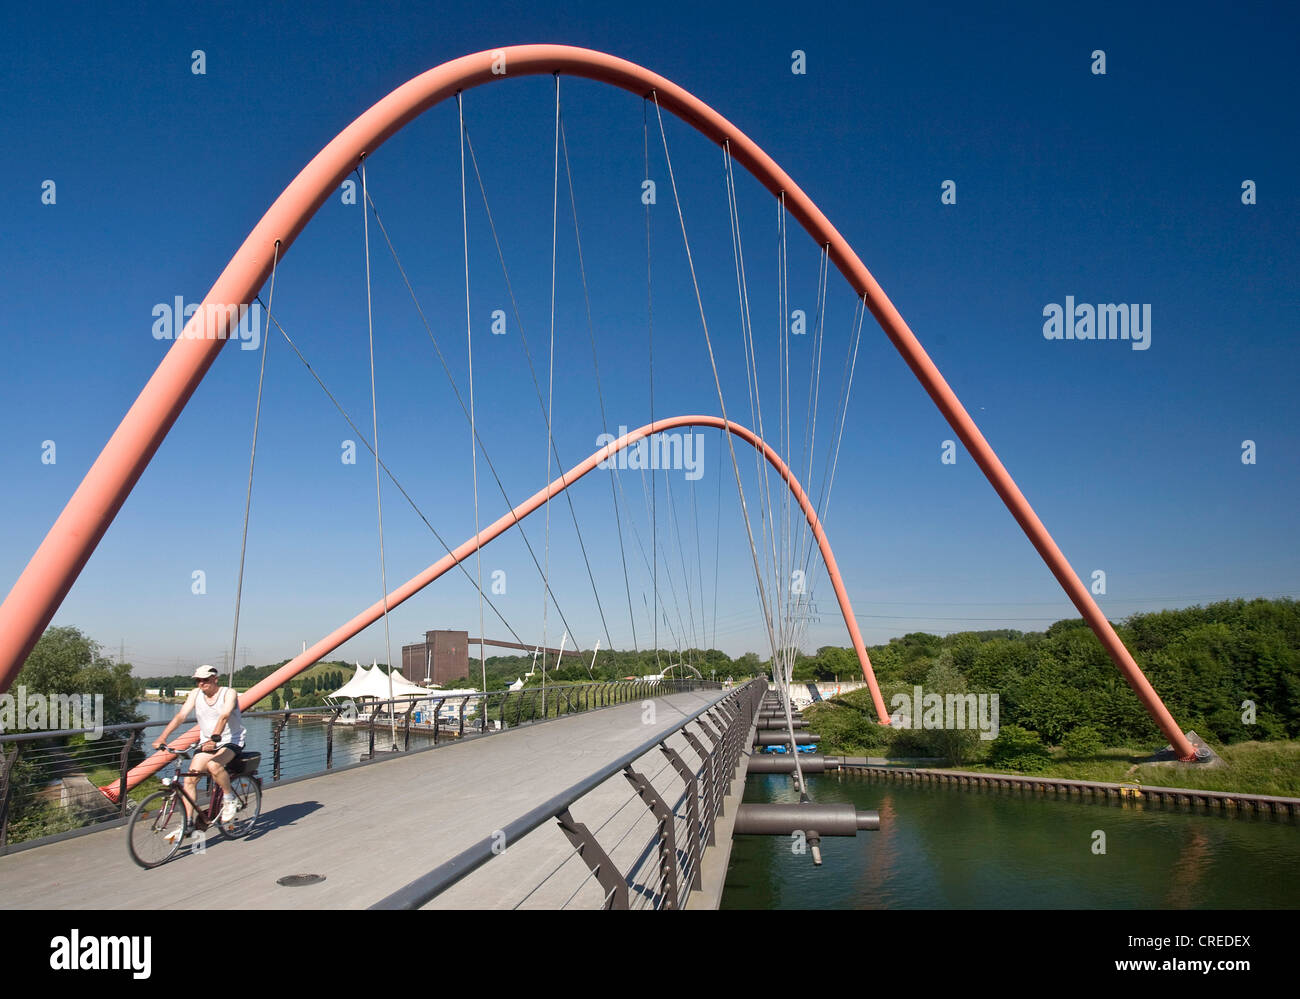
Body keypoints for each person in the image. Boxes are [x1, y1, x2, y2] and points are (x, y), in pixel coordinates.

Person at [153, 664, 247, 838]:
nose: (201, 684)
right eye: (198, 680)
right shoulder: (196, 694)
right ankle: (187, 824)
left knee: (213, 765)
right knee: (190, 779)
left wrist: (215, 737)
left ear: (215, 679)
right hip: (207, 743)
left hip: (230, 740)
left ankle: (229, 799)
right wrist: (163, 737)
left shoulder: (228, 693)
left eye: (205, 680)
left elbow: (224, 715)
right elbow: (181, 716)